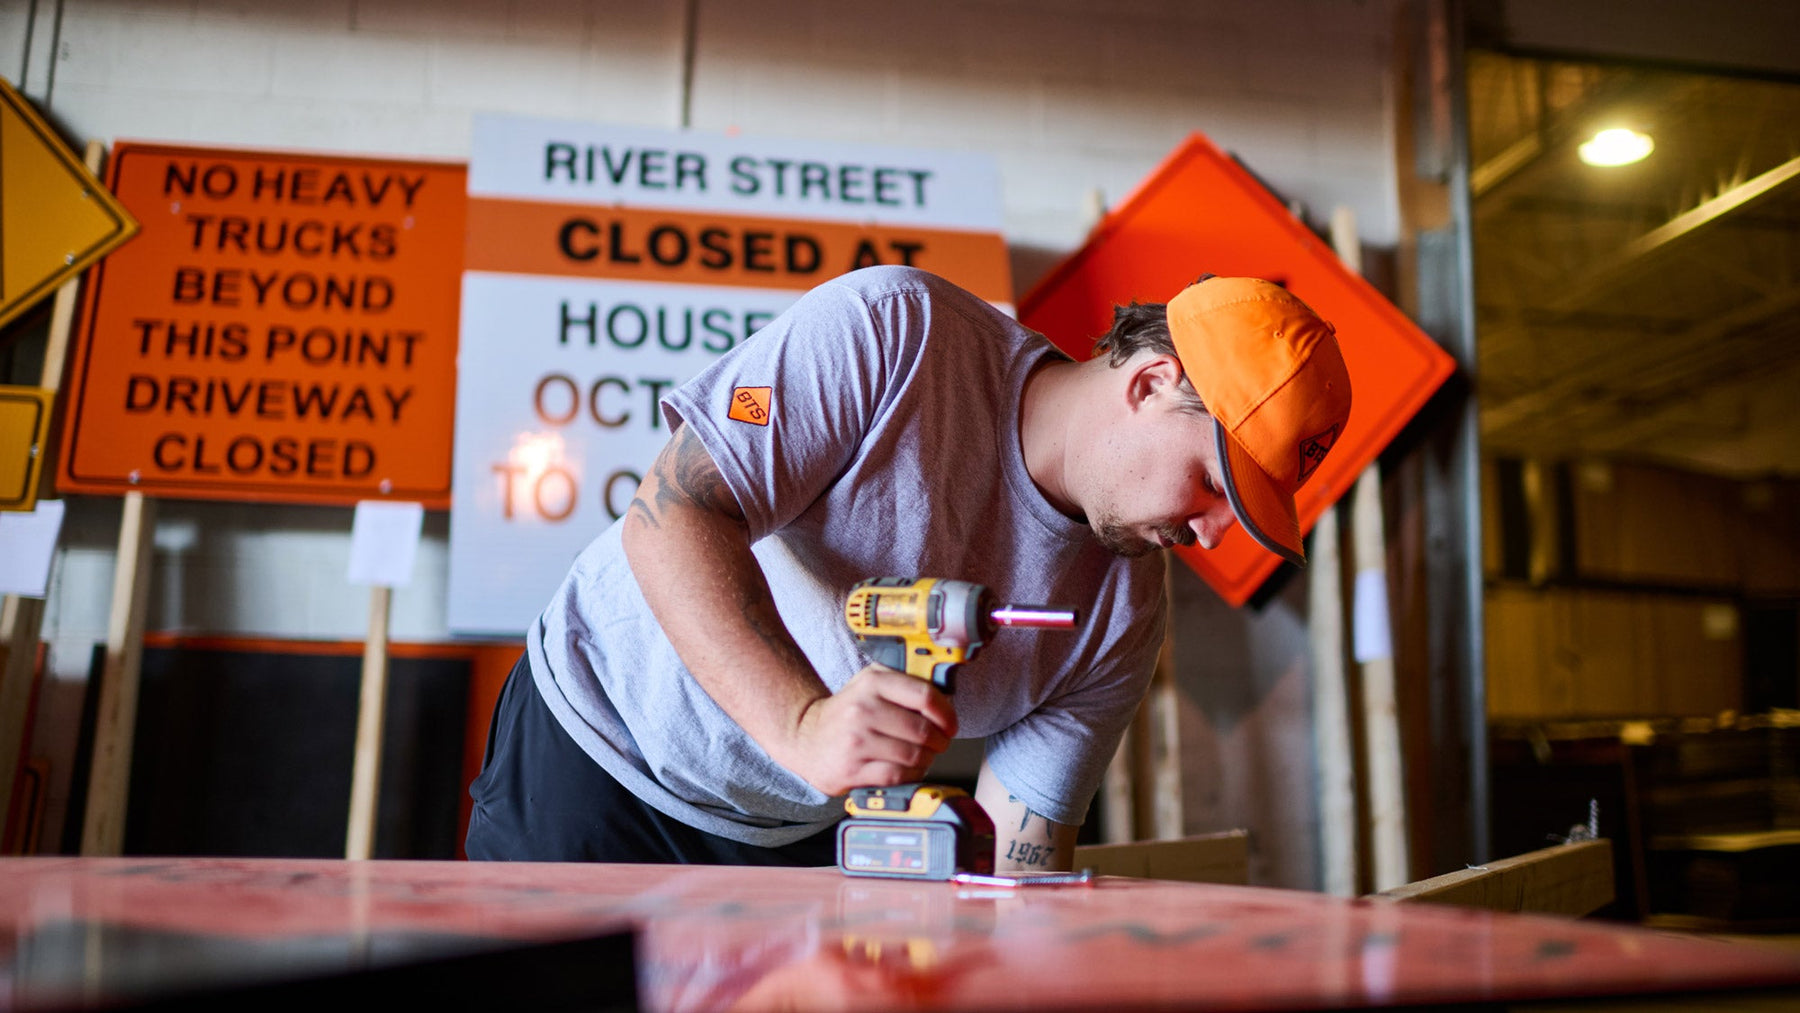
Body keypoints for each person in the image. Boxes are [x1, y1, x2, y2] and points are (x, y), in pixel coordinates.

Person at [466, 265, 1351, 871]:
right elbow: (669, 517)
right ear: (1151, 383)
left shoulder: (1121, 610)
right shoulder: (895, 334)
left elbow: (1018, 859)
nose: (1211, 535)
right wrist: (806, 725)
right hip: (597, 749)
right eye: (1213, 484)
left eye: (1241, 516)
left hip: (787, 833)